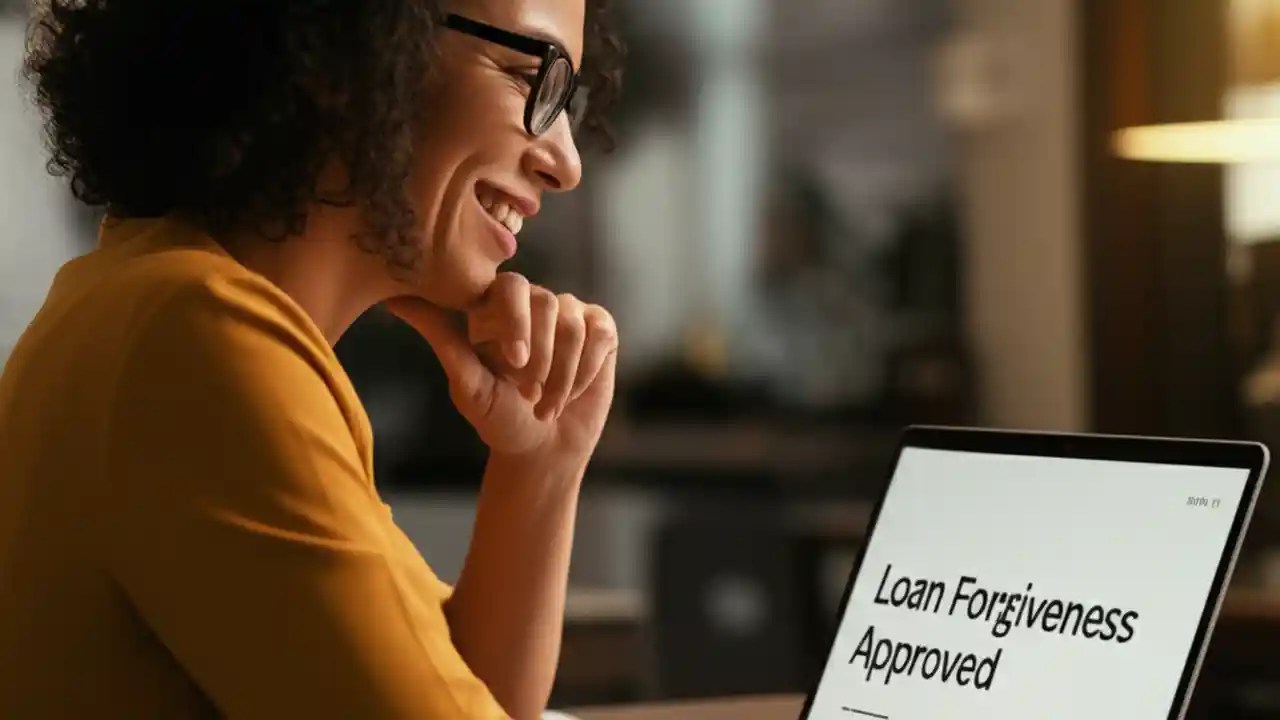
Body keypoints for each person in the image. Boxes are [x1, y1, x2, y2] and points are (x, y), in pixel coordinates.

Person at [0, 0, 624, 718]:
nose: (566, 163)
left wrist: (540, 466)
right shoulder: (200, 339)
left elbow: (468, 694)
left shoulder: (148, 301)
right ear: (348, 43)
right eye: (528, 75)